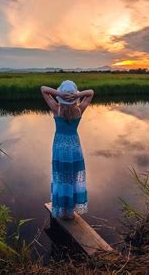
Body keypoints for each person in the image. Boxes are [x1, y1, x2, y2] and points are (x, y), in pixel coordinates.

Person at [40, 80, 94, 220]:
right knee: (72, 177)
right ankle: (70, 209)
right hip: (74, 147)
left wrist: (60, 94)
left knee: (61, 176)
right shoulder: (79, 110)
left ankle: (61, 207)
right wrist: (77, 95)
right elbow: (90, 93)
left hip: (59, 147)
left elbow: (43, 89)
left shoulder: (56, 108)